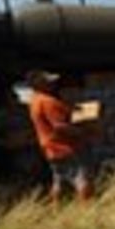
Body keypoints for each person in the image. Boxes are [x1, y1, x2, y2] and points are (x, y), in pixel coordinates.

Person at [26, 69, 94, 202]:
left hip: (50, 148)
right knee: (82, 179)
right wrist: (86, 133)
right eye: (49, 81)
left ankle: (55, 210)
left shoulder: (35, 101)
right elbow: (60, 126)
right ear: (39, 84)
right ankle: (87, 209)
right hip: (65, 147)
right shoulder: (48, 102)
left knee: (59, 180)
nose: (54, 83)